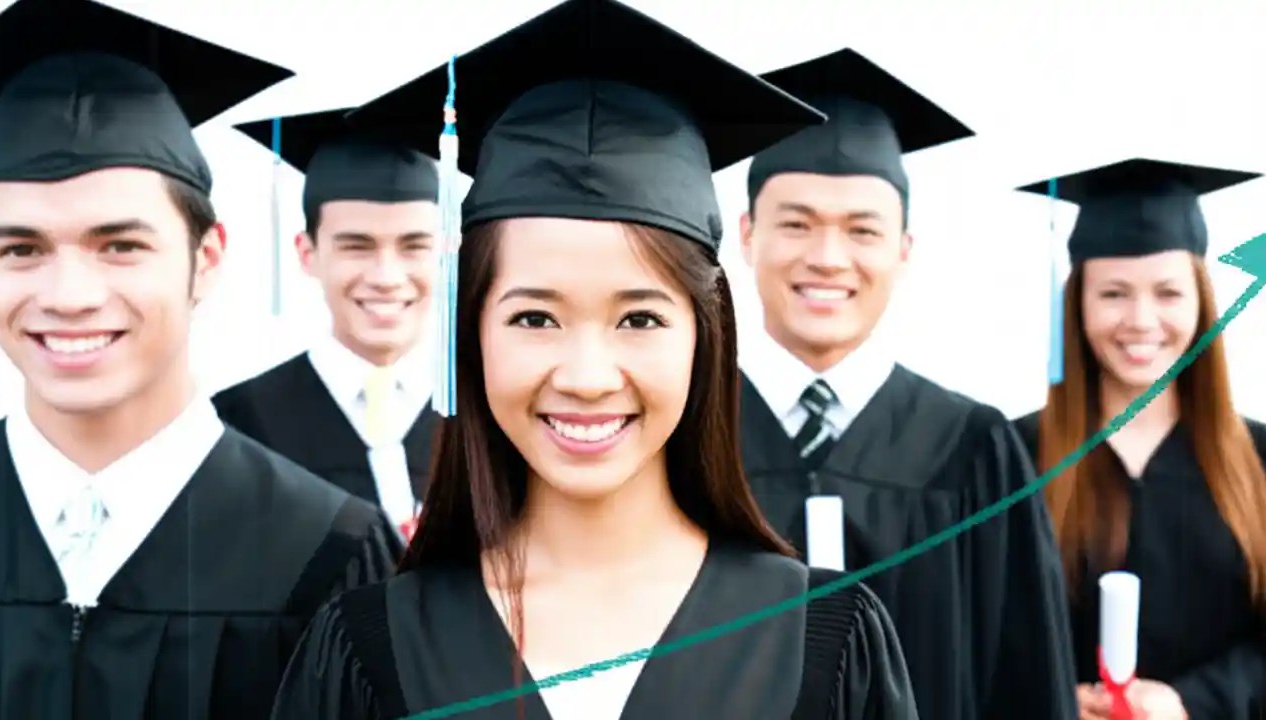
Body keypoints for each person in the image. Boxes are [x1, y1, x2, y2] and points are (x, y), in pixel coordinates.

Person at [270, 1, 922, 718]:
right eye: (534, 317)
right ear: (471, 333)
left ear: (705, 339)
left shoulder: (823, 640)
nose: (585, 376)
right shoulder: (370, 648)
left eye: (639, 318)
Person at [0, 1, 397, 717]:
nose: (70, 295)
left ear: (205, 260)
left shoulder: (333, 555)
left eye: (121, 245)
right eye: (22, 249)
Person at [735, 48, 1079, 720]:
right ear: (747, 236)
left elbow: (1028, 683)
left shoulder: (975, 447)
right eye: (796, 223)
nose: (828, 257)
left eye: (862, 229)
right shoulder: (684, 434)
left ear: (903, 249)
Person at [1013, 158, 1266, 720]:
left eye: (1169, 293)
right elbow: (973, 633)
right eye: (1114, 294)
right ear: (1077, 304)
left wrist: (1189, 703)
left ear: (1201, 304)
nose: (1141, 320)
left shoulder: (1261, 461)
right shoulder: (1009, 458)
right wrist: (1049, 700)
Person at [214, 109, 441, 546]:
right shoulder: (236, 424)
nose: (387, 276)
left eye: (415, 246)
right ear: (307, 253)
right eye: (357, 246)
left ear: (447, 251)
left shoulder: (491, 415)